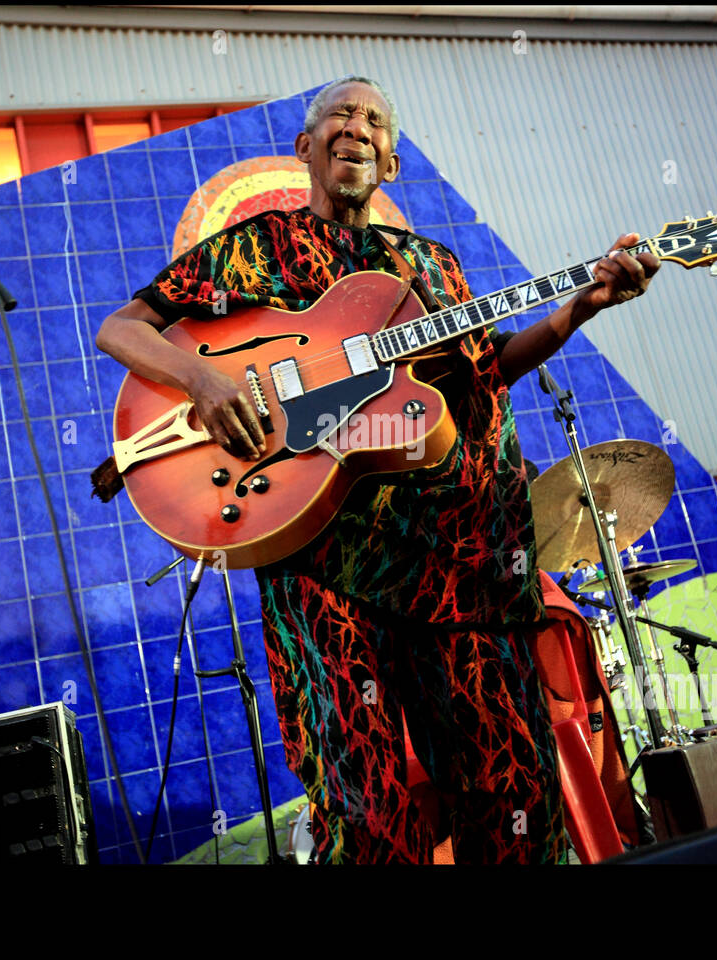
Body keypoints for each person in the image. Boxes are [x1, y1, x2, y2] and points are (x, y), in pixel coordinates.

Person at [96, 75, 659, 863]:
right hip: (326, 559)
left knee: (512, 788)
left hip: (462, 562)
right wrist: (205, 380)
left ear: (390, 162)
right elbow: (124, 328)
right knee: (368, 804)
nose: (356, 126)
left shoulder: (432, 268)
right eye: (340, 115)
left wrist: (580, 309)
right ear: (306, 148)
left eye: (374, 121)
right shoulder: (248, 250)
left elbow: (483, 370)